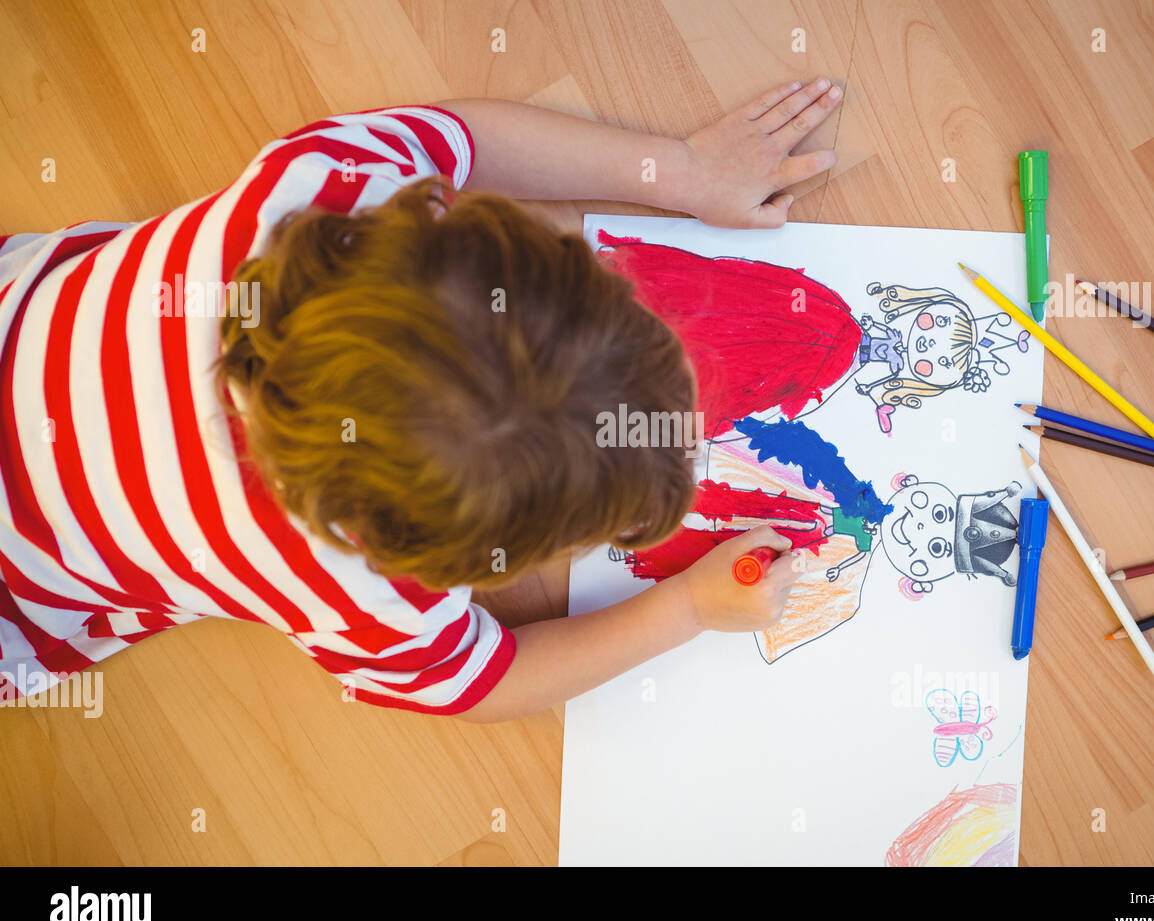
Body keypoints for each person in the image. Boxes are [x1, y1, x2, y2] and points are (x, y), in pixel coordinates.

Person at [0, 80, 843, 722]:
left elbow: (466, 136)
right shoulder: (349, 589)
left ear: (448, 221)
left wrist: (680, 170)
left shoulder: (317, 186)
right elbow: (483, 683)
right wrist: (686, 607)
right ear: (453, 569)